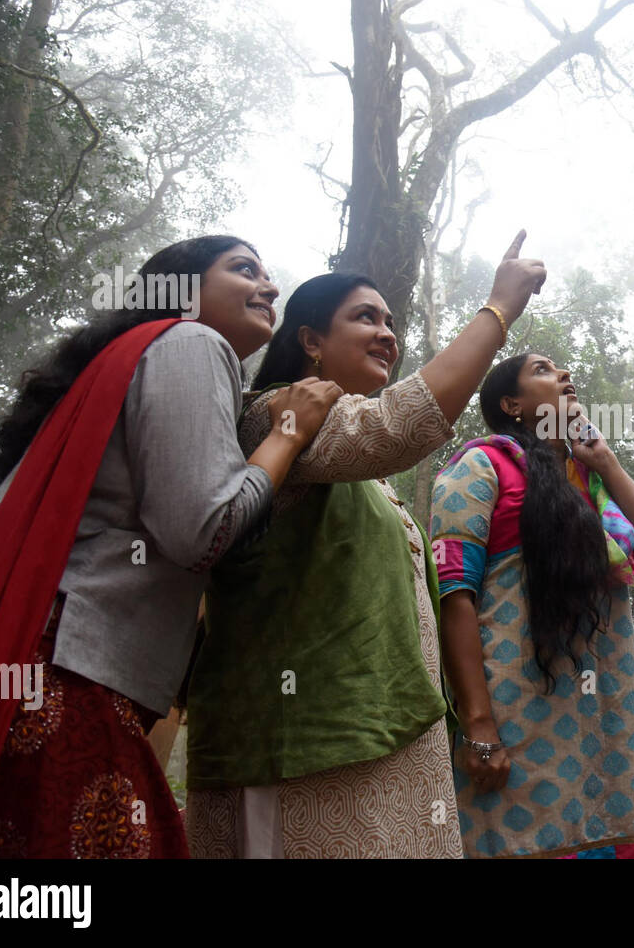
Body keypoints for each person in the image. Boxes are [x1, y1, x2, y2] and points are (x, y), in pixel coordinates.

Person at [0, 236, 340, 858]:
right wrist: (289, 432)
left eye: (268, 275)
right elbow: (201, 530)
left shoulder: (125, 362)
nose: (269, 287)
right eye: (243, 270)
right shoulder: (191, 343)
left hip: (20, 671)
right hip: (68, 675)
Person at [184, 231, 546, 859]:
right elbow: (399, 426)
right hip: (301, 744)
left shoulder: (362, 472)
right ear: (311, 341)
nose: (387, 333)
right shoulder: (269, 417)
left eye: (391, 321)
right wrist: (498, 310)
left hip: (395, 741)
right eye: (365, 317)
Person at [431, 352, 634, 858]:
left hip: (608, 725)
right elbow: (454, 595)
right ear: (511, 404)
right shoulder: (481, 465)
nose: (564, 375)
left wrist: (605, 462)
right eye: (543, 370)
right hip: (520, 723)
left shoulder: (590, 476)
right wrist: (479, 725)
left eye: (562, 369)